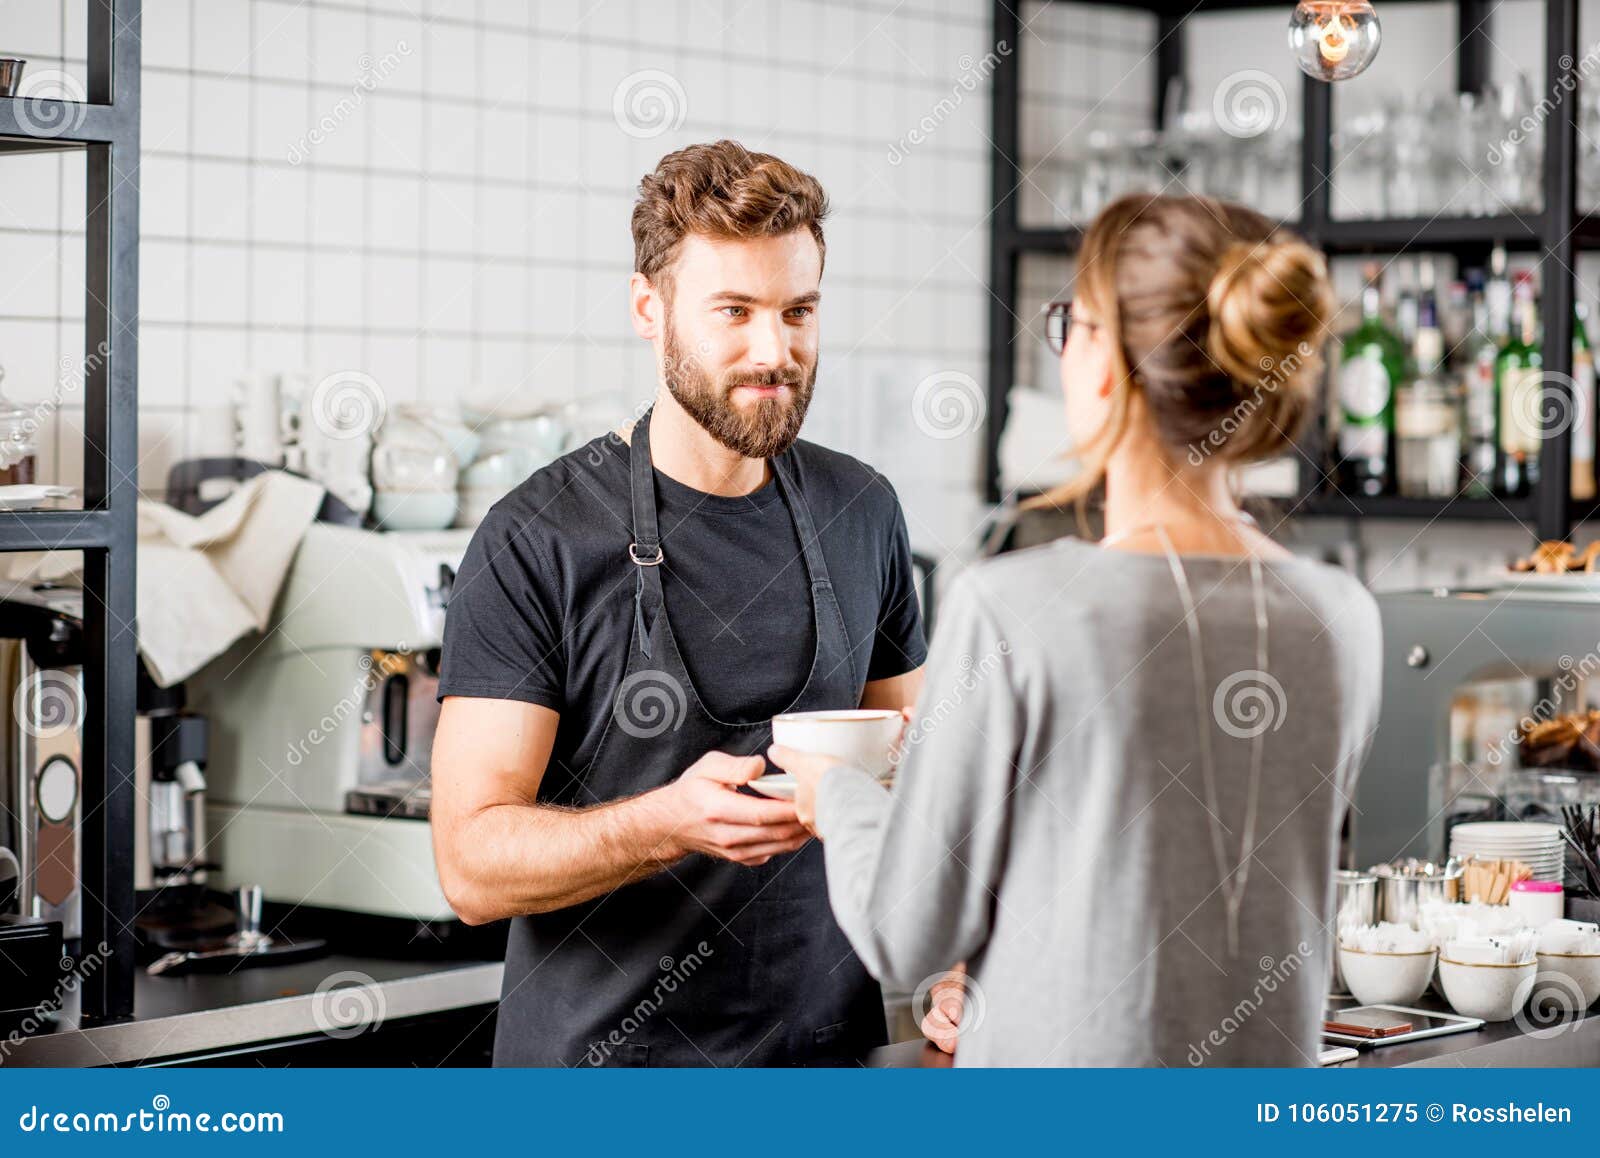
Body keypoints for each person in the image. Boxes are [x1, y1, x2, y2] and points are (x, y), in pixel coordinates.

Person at [771, 192, 1384, 1067]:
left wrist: (837, 790)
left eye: (1072, 323)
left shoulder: (1017, 607)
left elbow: (905, 934)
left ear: (1102, 361)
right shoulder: (1343, 616)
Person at [429, 140, 926, 1067]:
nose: (773, 351)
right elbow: (470, 865)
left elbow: (924, 781)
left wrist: (957, 963)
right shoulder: (537, 536)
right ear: (649, 309)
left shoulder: (865, 509)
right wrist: (665, 822)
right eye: (733, 311)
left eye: (798, 311)